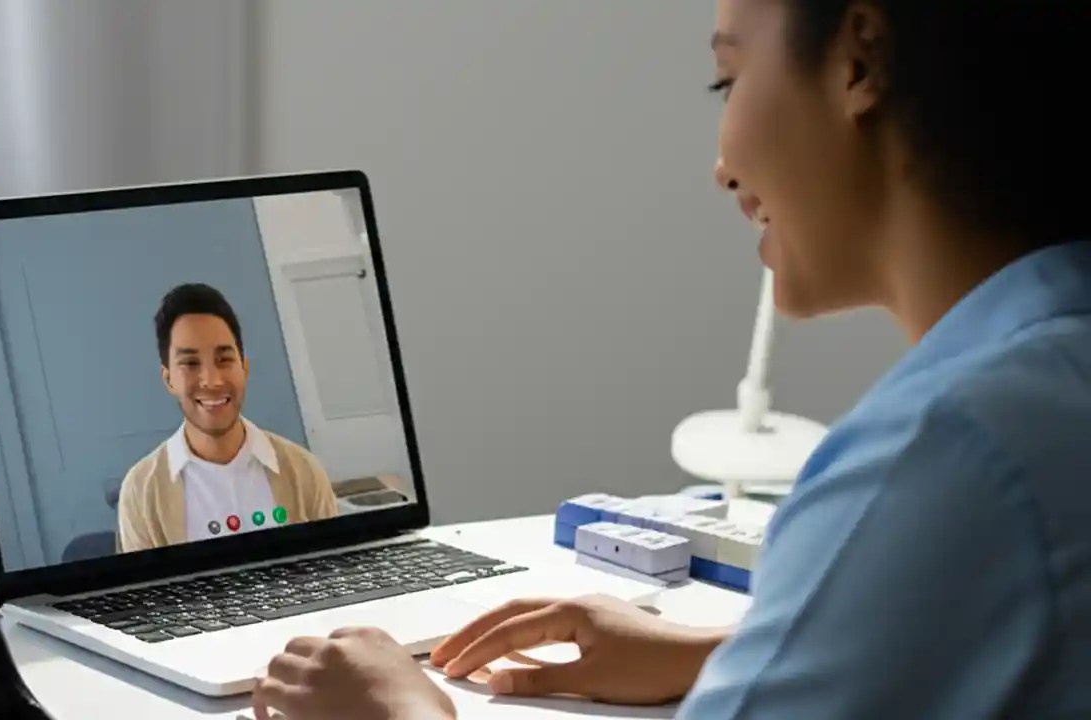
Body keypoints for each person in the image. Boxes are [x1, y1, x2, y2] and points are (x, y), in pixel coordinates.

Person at [252, 0, 1091, 718]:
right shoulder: (1049, 383)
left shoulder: (944, 453)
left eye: (728, 80)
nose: (723, 167)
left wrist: (400, 709)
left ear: (859, 61)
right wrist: (723, 652)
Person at [117, 283, 337, 553]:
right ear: (169, 379)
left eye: (224, 359)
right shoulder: (141, 492)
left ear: (244, 367)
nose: (211, 380)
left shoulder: (304, 471)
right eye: (190, 363)